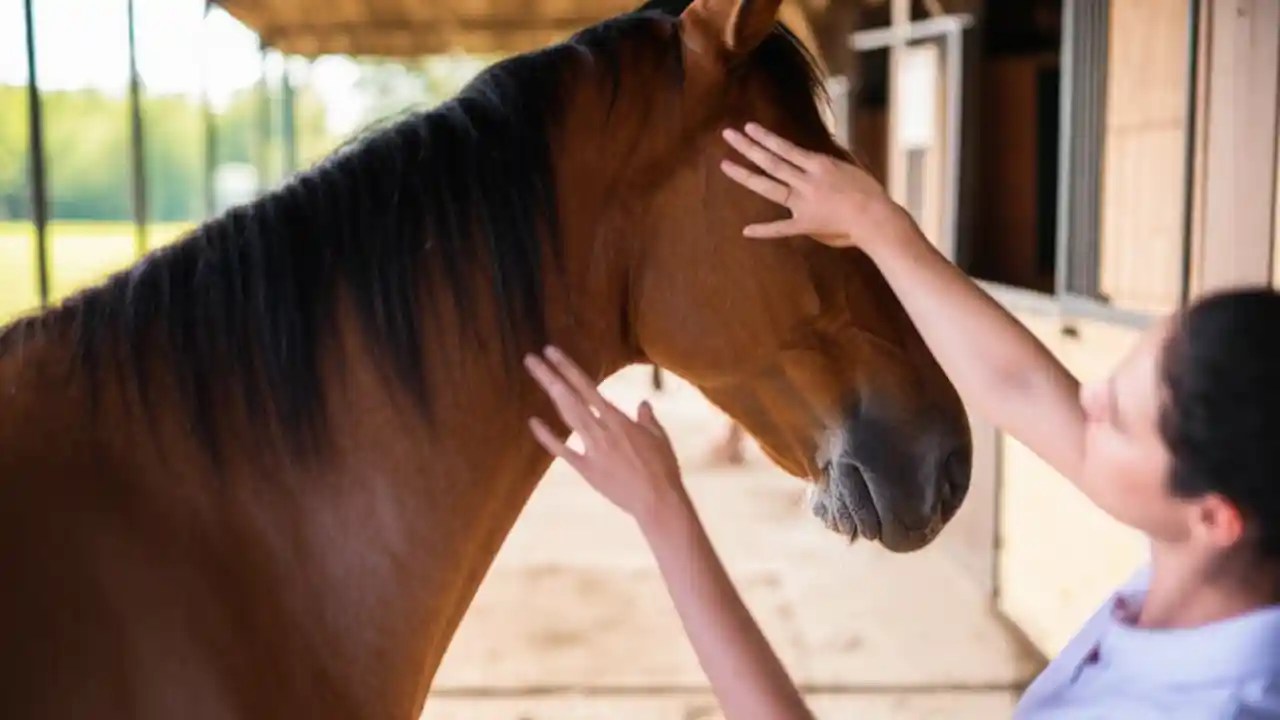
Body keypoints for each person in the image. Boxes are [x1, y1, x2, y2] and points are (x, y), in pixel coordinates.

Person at [521, 122, 1280, 719]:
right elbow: (1019, 386)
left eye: (1118, 420)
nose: (1084, 403)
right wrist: (877, 225)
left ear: (1215, 517)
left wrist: (665, 515)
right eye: (1111, 381)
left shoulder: (1208, 704)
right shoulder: (1213, 577)